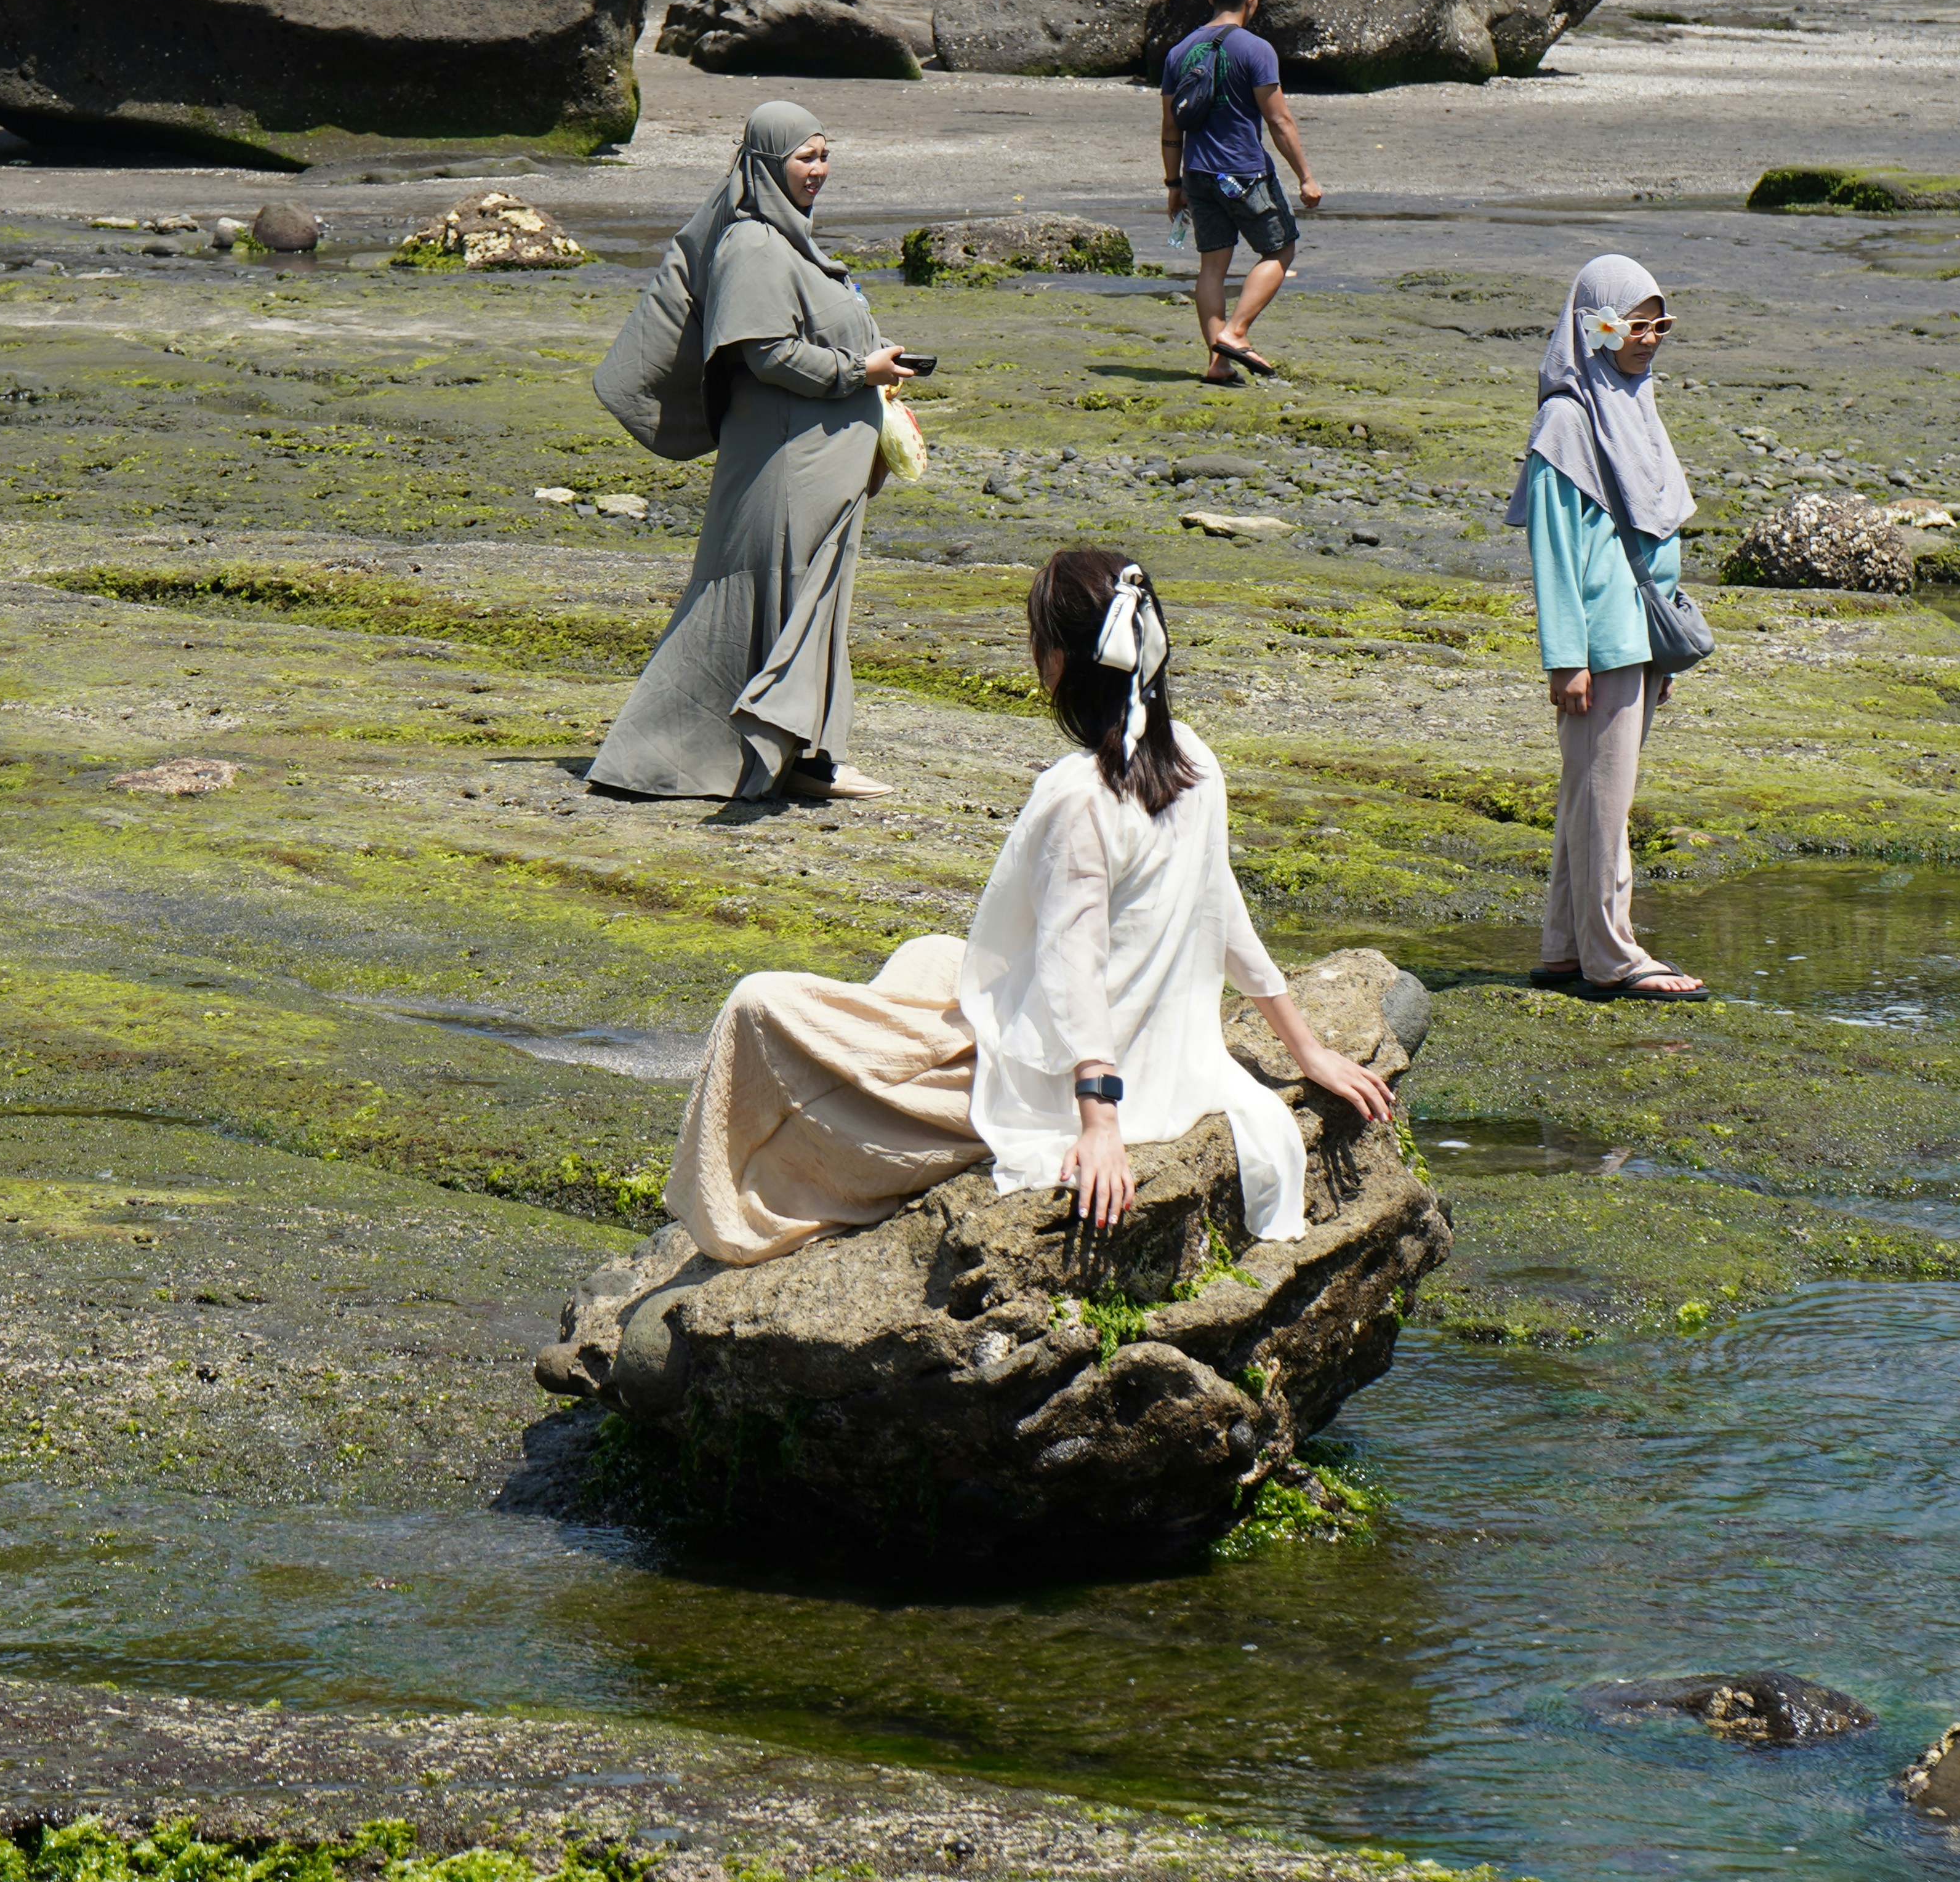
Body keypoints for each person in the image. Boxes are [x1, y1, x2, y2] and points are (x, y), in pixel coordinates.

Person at [665, 545, 1396, 1265]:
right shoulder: (1195, 762)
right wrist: (1307, 1049)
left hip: (1087, 1069)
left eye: (1037, 642)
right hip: (1159, 1048)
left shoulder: (1082, 794)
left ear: (1060, 663)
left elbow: (1075, 966)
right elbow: (1221, 911)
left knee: (757, 1005)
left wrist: (1099, 1121)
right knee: (928, 955)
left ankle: (734, 1208)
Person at [590, 102, 922, 803]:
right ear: (767, 163)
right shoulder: (752, 246)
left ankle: (805, 755)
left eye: (825, 156)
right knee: (773, 604)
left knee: (812, 606)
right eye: (806, 158)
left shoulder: (795, 242)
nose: (819, 171)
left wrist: (880, 393)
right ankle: (660, 756)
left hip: (821, 464)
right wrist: (859, 375)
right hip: (783, 468)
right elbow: (767, 353)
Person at [1505, 255, 1708, 1003]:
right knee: (1603, 799)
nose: (1649, 337)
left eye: (1661, 323)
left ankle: (1565, 946)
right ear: (1595, 325)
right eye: (1635, 322)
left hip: (1640, 638)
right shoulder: (1566, 421)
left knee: (1589, 793)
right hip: (1598, 643)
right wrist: (1567, 660)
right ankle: (1614, 954)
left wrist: (1665, 658)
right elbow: (1554, 555)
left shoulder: (1634, 403)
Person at [1158, 0, 1322, 385]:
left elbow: (1171, 126)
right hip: (1243, 172)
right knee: (1280, 251)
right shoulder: (1256, 49)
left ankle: (1218, 363)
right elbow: (1279, 120)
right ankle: (1236, 333)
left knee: (1212, 266)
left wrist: (1174, 184)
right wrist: (1306, 175)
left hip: (1197, 171)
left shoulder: (1179, 51)